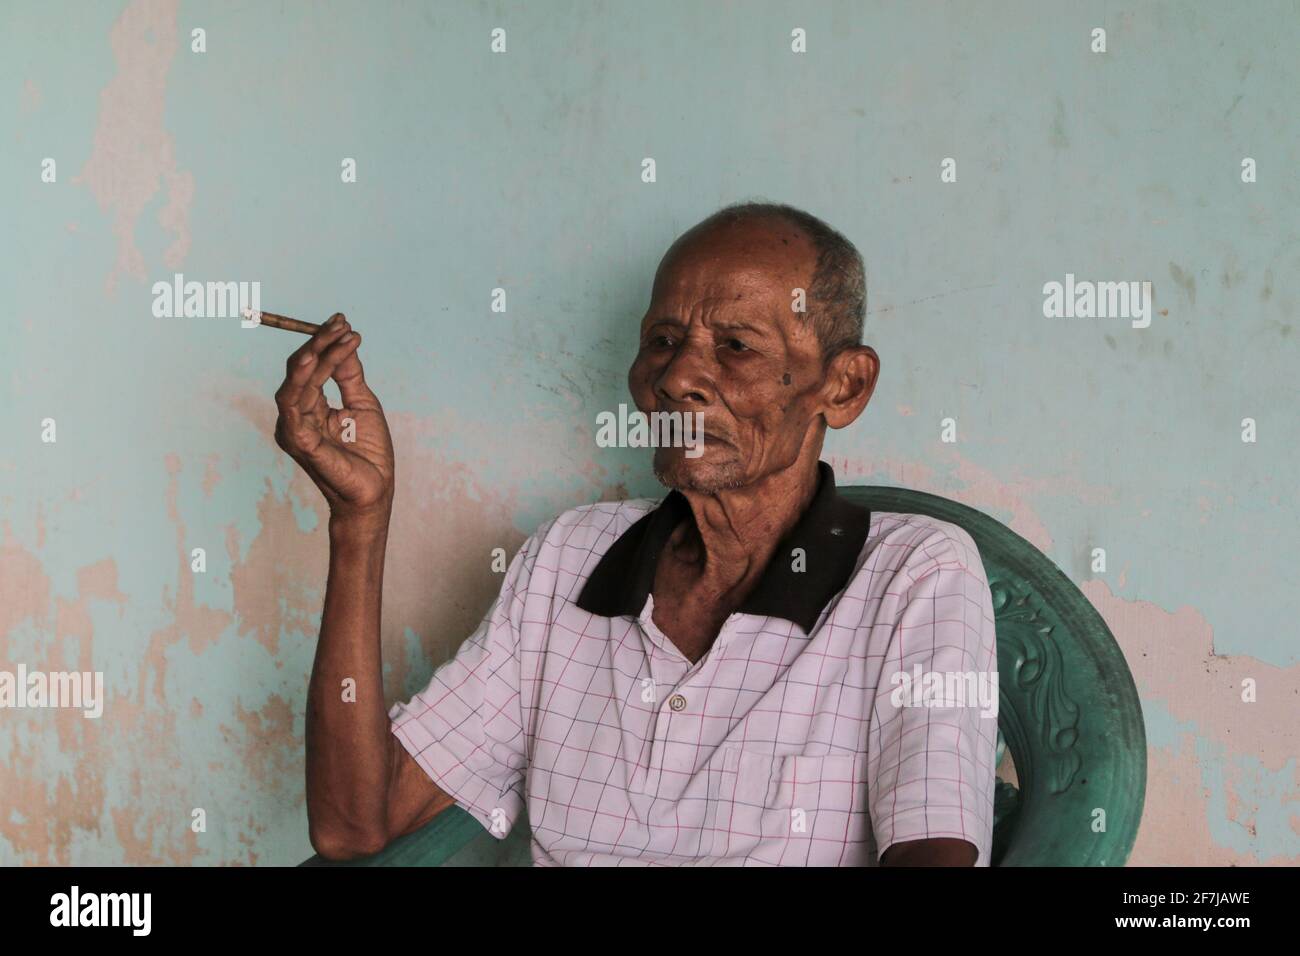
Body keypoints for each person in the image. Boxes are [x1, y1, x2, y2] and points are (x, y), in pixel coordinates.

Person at [275, 201, 998, 866]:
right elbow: (355, 823)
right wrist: (360, 522)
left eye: (737, 346)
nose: (677, 375)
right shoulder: (570, 557)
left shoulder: (914, 574)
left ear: (843, 387)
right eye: (663, 339)